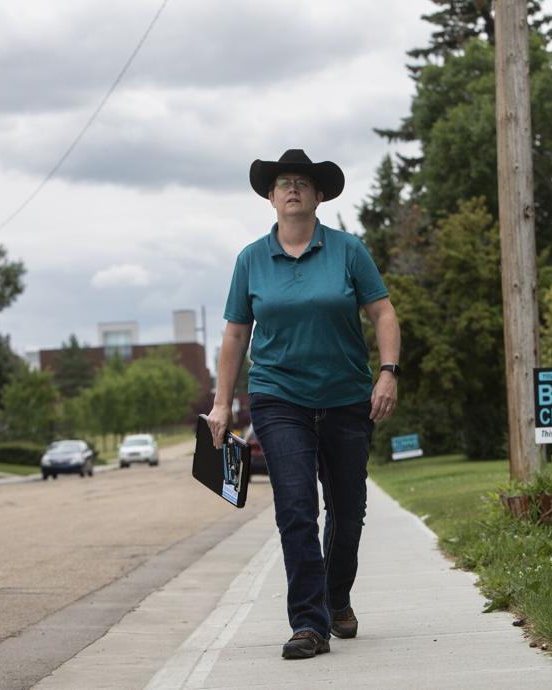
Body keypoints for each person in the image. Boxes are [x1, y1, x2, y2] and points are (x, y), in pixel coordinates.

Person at [206, 149, 401, 660]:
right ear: (271, 198)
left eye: (302, 182)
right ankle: (309, 624)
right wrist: (222, 404)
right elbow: (234, 334)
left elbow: (382, 312)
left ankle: (337, 596)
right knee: (296, 508)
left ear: (318, 196)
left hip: (345, 397)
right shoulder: (250, 259)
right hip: (278, 397)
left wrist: (387, 373)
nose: (292, 188)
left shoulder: (347, 250)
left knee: (348, 510)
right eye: (283, 182)